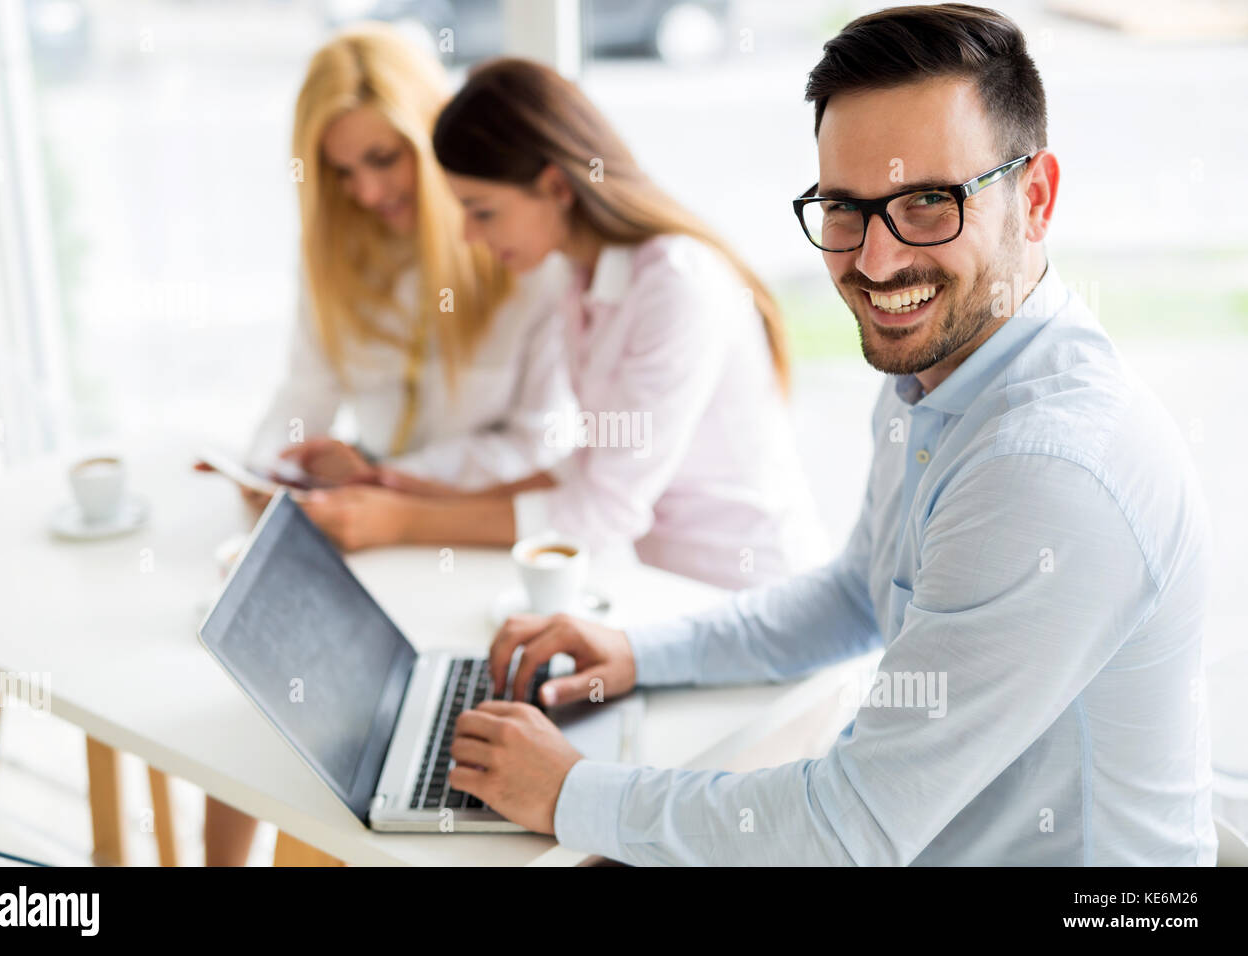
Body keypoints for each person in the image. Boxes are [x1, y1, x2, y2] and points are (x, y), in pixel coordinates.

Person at [446, 3, 1216, 865]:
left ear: (1034, 199)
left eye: (930, 203)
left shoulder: (1047, 470)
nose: (877, 263)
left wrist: (569, 792)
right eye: (845, 209)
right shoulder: (943, 363)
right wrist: (633, 654)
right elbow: (858, 593)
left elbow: (848, 829)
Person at [204, 24, 573, 866]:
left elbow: (536, 445)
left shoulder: (519, 255)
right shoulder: (333, 253)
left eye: (384, 157)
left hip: (476, 539)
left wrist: (390, 479)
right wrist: (272, 469)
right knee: (248, 711)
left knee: (367, 751)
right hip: (372, 533)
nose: (367, 190)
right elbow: (301, 400)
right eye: (341, 170)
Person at [305, 57, 830, 590]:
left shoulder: (675, 284)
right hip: (673, 592)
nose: (467, 235)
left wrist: (400, 522)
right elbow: (586, 469)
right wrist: (408, 490)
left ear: (556, 187)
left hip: (753, 596)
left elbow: (603, 511)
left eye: (481, 211)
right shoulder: (580, 276)